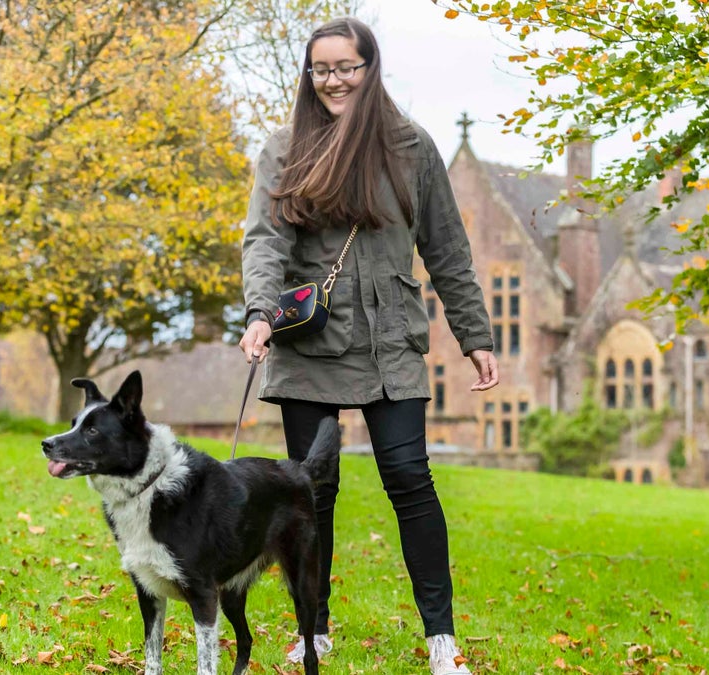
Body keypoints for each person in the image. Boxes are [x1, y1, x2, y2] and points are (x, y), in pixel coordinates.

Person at [238, 16, 499, 675]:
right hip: (309, 338)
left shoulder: (411, 146)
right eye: (321, 69)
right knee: (311, 490)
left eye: (346, 68)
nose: (333, 81)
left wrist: (475, 336)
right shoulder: (284, 150)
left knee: (411, 478)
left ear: (369, 67)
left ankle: (441, 638)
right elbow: (264, 242)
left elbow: (448, 250)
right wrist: (260, 313)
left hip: (390, 340)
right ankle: (313, 627)